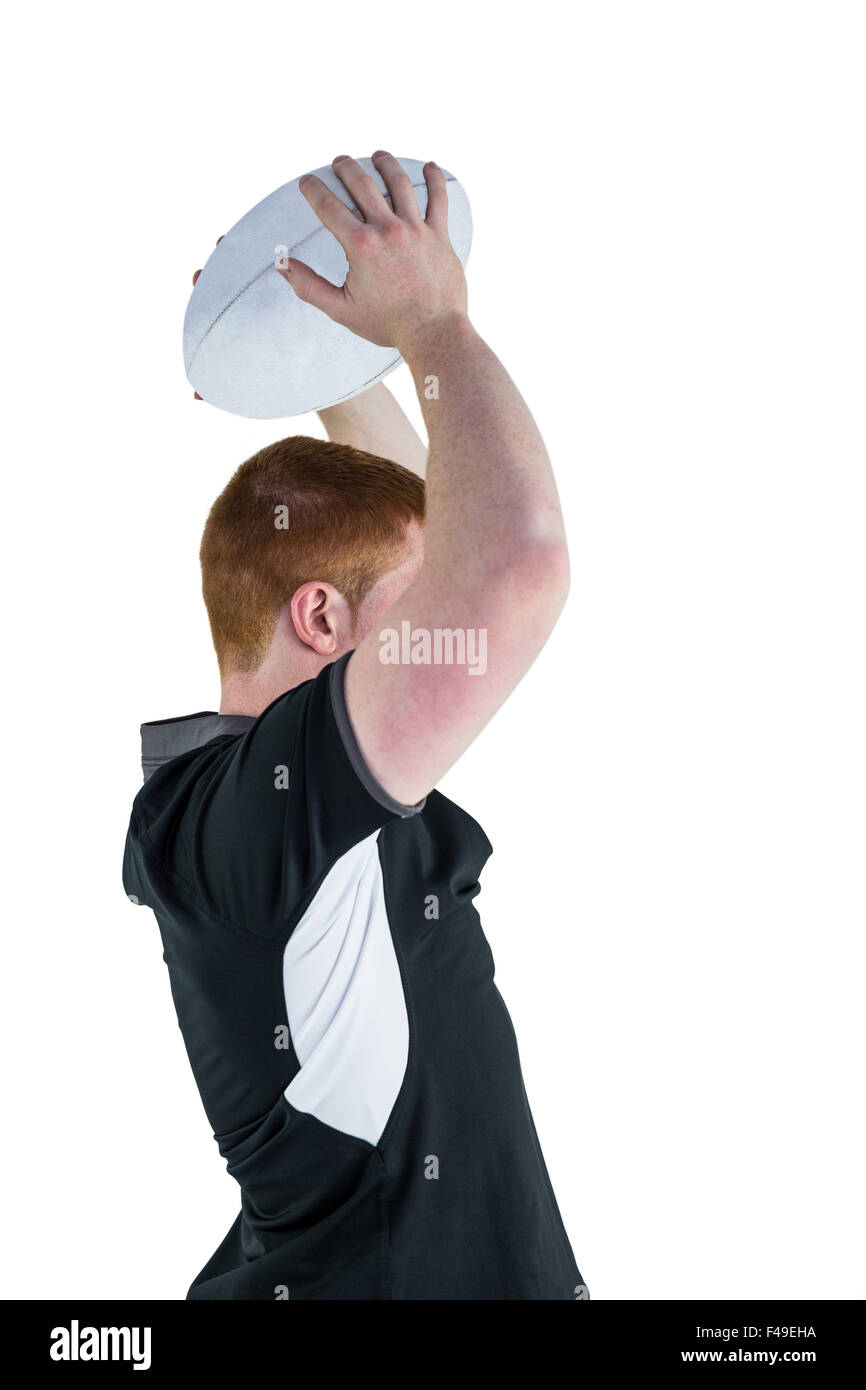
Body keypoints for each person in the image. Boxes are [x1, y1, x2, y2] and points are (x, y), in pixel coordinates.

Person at [123, 151, 588, 1300]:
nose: (429, 626)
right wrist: (431, 322)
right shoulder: (245, 827)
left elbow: (433, 534)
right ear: (322, 617)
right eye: (403, 612)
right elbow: (509, 566)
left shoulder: (290, 814)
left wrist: (322, 354)